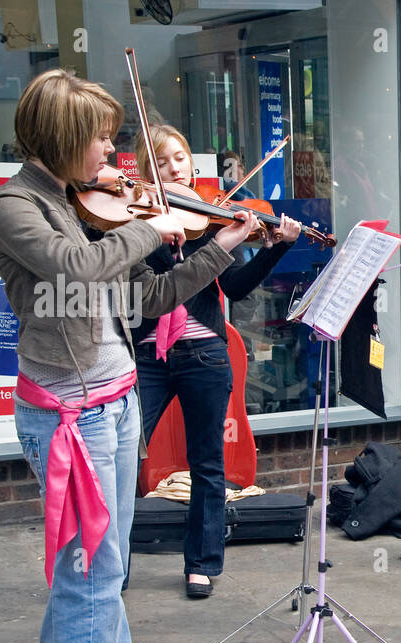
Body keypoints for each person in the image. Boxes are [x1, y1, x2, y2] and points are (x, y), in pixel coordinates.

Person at [0, 69, 256, 643]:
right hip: (67, 414)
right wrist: (154, 224)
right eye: (102, 141)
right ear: (64, 138)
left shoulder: (96, 205)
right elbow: (73, 269)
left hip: (115, 399)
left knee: (91, 563)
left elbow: (153, 298)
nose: (113, 156)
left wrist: (220, 246)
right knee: (95, 570)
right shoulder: (16, 206)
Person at [134, 125, 301, 599]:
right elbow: (153, 286)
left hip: (203, 352)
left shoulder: (208, 220)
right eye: (163, 162)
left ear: (192, 165)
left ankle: (201, 563)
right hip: (149, 353)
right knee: (126, 451)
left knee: (207, 461)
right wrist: (181, 238)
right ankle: (113, 564)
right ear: (150, 172)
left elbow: (234, 288)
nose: (174, 168)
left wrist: (277, 246)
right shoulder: (140, 223)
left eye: (181, 159)